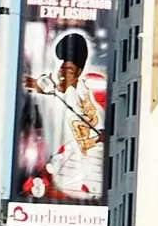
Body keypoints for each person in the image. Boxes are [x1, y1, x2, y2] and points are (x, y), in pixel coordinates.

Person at [23, 30, 103, 200]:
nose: (62, 73)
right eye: (61, 68)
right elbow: (55, 87)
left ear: (79, 71)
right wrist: (38, 87)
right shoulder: (66, 88)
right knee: (62, 158)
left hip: (92, 151)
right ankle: (42, 184)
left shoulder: (91, 87)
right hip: (78, 149)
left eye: (68, 69)